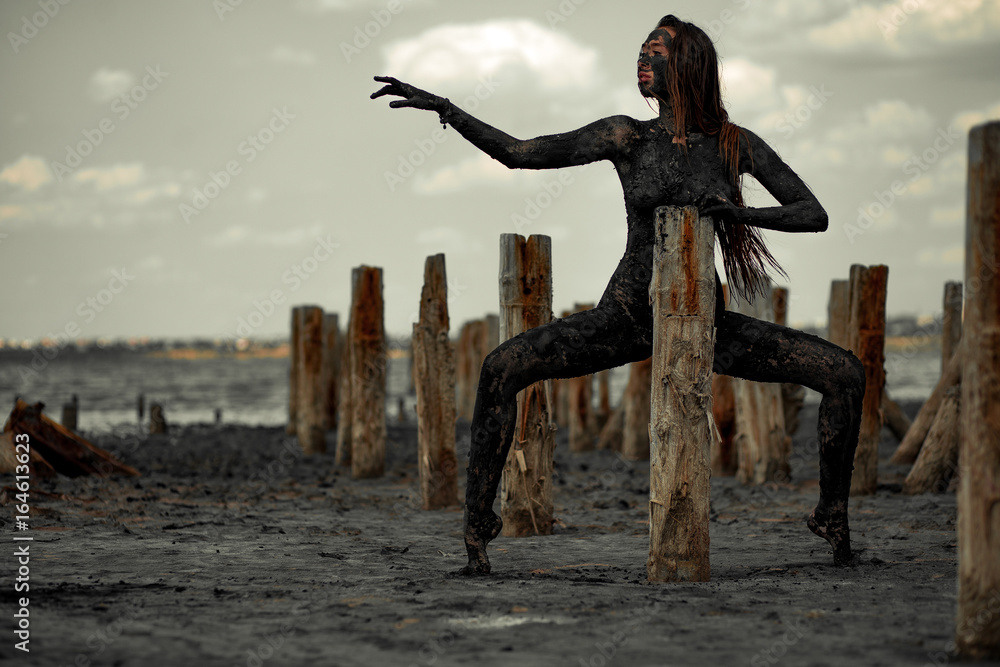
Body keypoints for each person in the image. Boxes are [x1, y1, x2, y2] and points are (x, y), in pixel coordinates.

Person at [371, 14, 865, 574]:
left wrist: (741, 212)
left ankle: (831, 513)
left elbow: (812, 213)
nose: (644, 60)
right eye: (641, 52)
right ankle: (478, 528)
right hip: (625, 317)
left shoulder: (735, 144)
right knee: (500, 367)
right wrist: (446, 109)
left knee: (844, 373)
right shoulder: (626, 135)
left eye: (657, 51)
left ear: (689, 65)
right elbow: (519, 152)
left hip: (705, 323)